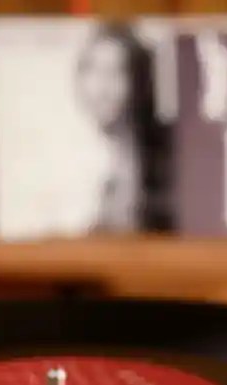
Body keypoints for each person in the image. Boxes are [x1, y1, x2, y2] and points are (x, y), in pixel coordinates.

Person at [73, 25, 157, 232]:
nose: (103, 86)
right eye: (93, 70)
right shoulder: (78, 149)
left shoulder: (145, 156)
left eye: (116, 72)